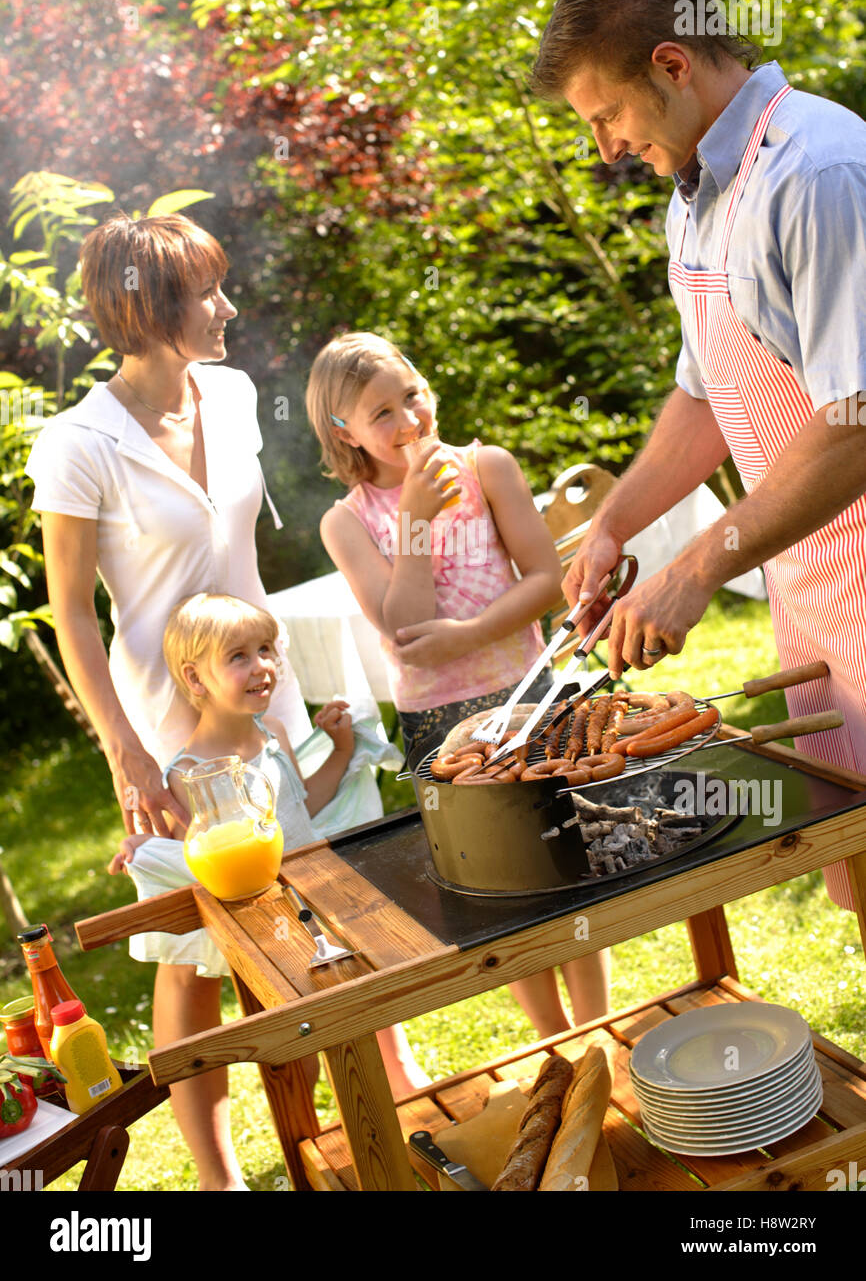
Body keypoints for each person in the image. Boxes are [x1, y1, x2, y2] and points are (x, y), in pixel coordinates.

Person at [529, 0, 866, 911]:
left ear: (673, 67)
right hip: (816, 593)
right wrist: (616, 527)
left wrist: (697, 566)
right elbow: (707, 394)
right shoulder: (698, 196)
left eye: (608, 116)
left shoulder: (817, 169)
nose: (604, 149)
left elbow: (856, 425)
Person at [305, 330, 610, 1035]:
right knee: (493, 888)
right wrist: (413, 519)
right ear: (341, 430)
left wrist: (473, 635)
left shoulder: (488, 467)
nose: (409, 420)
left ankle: (596, 1030)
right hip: (439, 723)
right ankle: (553, 1039)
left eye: (411, 395)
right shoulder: (345, 523)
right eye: (381, 413)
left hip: (525, 694)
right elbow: (407, 635)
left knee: (568, 862)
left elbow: (544, 584)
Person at [25, 211, 310, 839]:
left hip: (262, 679)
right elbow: (71, 609)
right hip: (164, 710)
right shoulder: (78, 444)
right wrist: (121, 745)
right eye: (206, 294)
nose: (228, 308)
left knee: (315, 866)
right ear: (147, 309)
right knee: (215, 892)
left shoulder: (235, 395)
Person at [111, 592, 354, 1190]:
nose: (262, 666)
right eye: (239, 656)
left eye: (266, 650)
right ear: (195, 677)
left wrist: (345, 750)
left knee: (316, 1032)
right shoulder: (187, 774)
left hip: (300, 912)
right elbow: (191, 862)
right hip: (249, 927)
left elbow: (300, 809)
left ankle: (320, 1133)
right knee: (277, 1035)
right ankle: (241, 1165)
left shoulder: (271, 733)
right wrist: (144, 851)